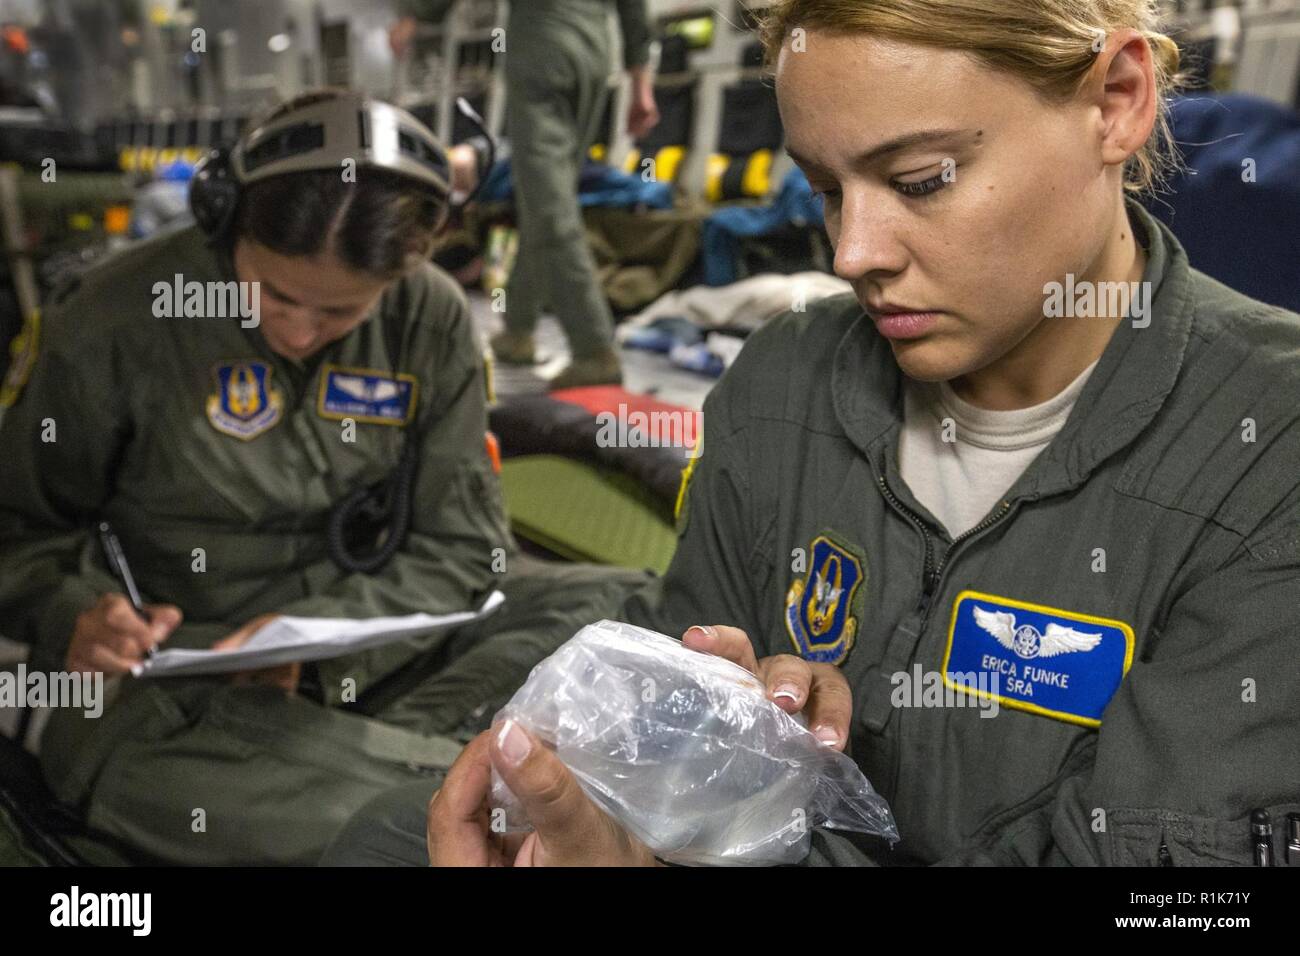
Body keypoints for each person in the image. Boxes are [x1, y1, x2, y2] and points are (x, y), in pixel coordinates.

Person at [323, 0, 1300, 867]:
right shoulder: (781, 380)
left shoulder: (1267, 445)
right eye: (827, 189)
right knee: (374, 834)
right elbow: (676, 757)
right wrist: (721, 751)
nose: (851, 253)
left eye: (919, 179)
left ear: (1117, 100)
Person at [0, 89, 644, 865]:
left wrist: (318, 654)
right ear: (226, 218)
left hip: (367, 651)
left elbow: (464, 551)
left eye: (340, 313)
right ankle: (462, 781)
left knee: (621, 601)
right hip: (167, 691)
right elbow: (16, 534)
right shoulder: (113, 320)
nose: (300, 332)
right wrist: (74, 613)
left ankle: (391, 763)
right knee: (422, 836)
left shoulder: (428, 318)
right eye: (273, 294)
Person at [394, 0, 658, 389]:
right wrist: (641, 84)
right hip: (595, 52)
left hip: (542, 46)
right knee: (546, 194)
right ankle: (518, 329)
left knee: (551, 206)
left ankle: (594, 348)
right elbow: (634, 9)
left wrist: (417, 15)